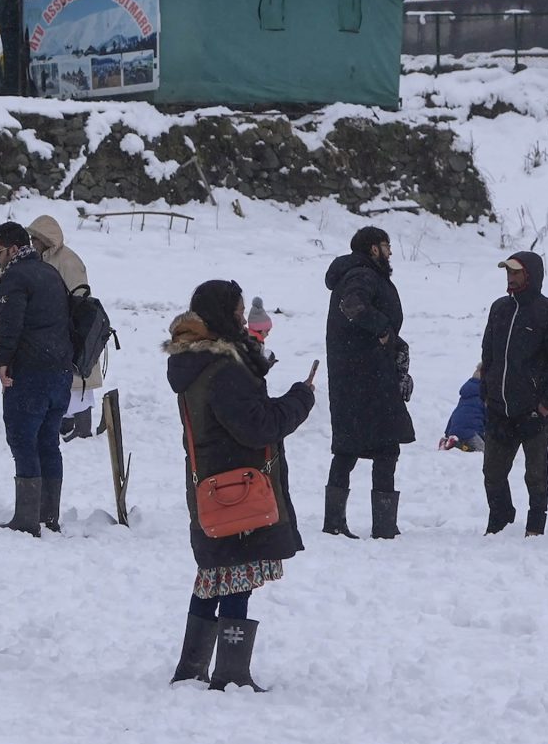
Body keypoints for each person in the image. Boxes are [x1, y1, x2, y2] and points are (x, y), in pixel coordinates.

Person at [165, 278, 316, 692]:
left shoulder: (197, 362)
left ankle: (192, 666)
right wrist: (300, 399)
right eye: (237, 308)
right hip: (237, 483)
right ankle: (230, 674)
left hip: (212, 483)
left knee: (216, 572)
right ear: (221, 314)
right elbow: (258, 425)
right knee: (235, 571)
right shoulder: (222, 369)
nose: (241, 315)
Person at [0, 212, 107, 439]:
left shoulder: (68, 261)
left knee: (78, 384)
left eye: (35, 239)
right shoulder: (40, 260)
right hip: (47, 330)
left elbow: (79, 298)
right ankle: (64, 425)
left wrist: (59, 319)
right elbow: (12, 274)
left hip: (65, 329)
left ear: (46, 239)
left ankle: (82, 430)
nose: (32, 243)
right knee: (62, 385)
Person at [0, 219, 71, 536]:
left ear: (14, 249)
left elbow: (12, 322)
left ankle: (27, 518)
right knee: (48, 441)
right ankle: (48, 515)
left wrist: (3, 361)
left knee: (22, 439)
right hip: (60, 373)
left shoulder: (16, 276)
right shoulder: (50, 272)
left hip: (30, 373)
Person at [322, 226, 414, 540]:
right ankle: (382, 526)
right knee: (384, 448)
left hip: (359, 376)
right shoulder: (362, 275)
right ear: (374, 248)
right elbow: (353, 306)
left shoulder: (360, 273)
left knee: (350, 448)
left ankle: (337, 522)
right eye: (387, 246)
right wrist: (384, 331)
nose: (390, 252)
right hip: (367, 377)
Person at [477, 250, 548, 535]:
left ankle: (535, 526)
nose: (510, 276)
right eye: (507, 271)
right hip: (498, 408)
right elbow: (488, 353)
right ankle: (500, 519)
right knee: (492, 474)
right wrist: (486, 391)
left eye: (516, 271)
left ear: (530, 275)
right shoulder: (499, 308)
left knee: (536, 475)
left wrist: (546, 406)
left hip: (534, 411)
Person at [439, 372, 486, 451]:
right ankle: (455, 444)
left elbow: (454, 415)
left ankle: (447, 441)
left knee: (466, 443)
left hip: (454, 431)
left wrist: (447, 433)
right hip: (471, 433)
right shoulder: (483, 397)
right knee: (483, 450)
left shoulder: (465, 397)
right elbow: (488, 418)